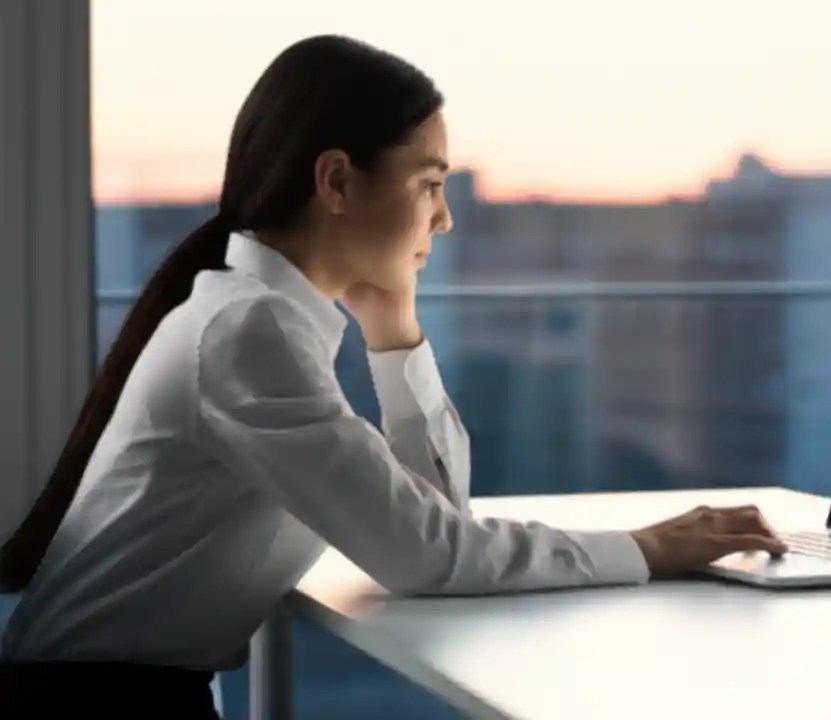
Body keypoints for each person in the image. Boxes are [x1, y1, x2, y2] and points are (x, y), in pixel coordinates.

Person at [0, 35, 787, 717]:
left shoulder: (262, 320)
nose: (444, 219)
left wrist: (395, 335)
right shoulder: (249, 331)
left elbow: (436, 520)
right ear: (337, 182)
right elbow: (430, 553)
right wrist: (648, 547)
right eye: (431, 184)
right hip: (93, 704)